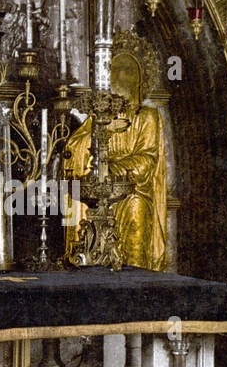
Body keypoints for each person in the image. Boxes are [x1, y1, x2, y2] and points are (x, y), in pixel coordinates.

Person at [62, 54, 168, 270]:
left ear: (140, 79)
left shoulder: (148, 116)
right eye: (116, 71)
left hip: (132, 191)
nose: (122, 77)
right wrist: (104, 129)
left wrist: (114, 168)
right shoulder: (100, 115)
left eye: (129, 71)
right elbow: (73, 148)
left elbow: (148, 159)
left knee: (136, 211)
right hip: (102, 190)